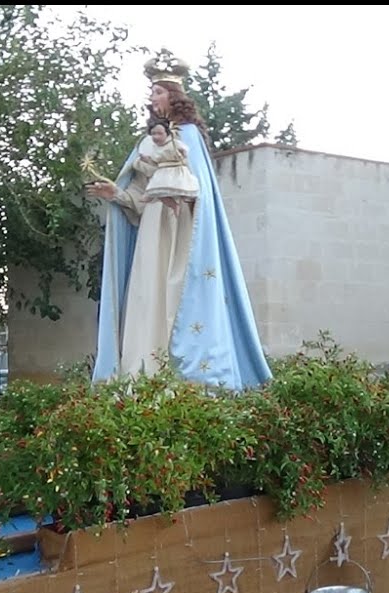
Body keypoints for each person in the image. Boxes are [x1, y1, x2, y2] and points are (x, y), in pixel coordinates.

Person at [85, 48, 272, 391]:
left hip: (181, 233)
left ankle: (191, 382)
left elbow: (197, 193)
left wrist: (174, 198)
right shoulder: (146, 143)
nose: (153, 98)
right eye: (152, 92)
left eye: (158, 92)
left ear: (174, 96)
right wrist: (118, 194)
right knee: (147, 299)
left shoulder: (188, 138)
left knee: (176, 295)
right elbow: (140, 197)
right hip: (152, 233)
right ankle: (143, 378)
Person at [142, 117, 199, 206]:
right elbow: (154, 160)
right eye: (153, 134)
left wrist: (183, 154)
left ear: (167, 133)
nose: (156, 137)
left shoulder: (173, 143)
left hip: (176, 169)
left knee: (181, 187)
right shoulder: (153, 147)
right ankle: (173, 205)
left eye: (160, 133)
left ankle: (184, 200)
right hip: (162, 172)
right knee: (157, 190)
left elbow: (184, 150)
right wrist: (147, 159)